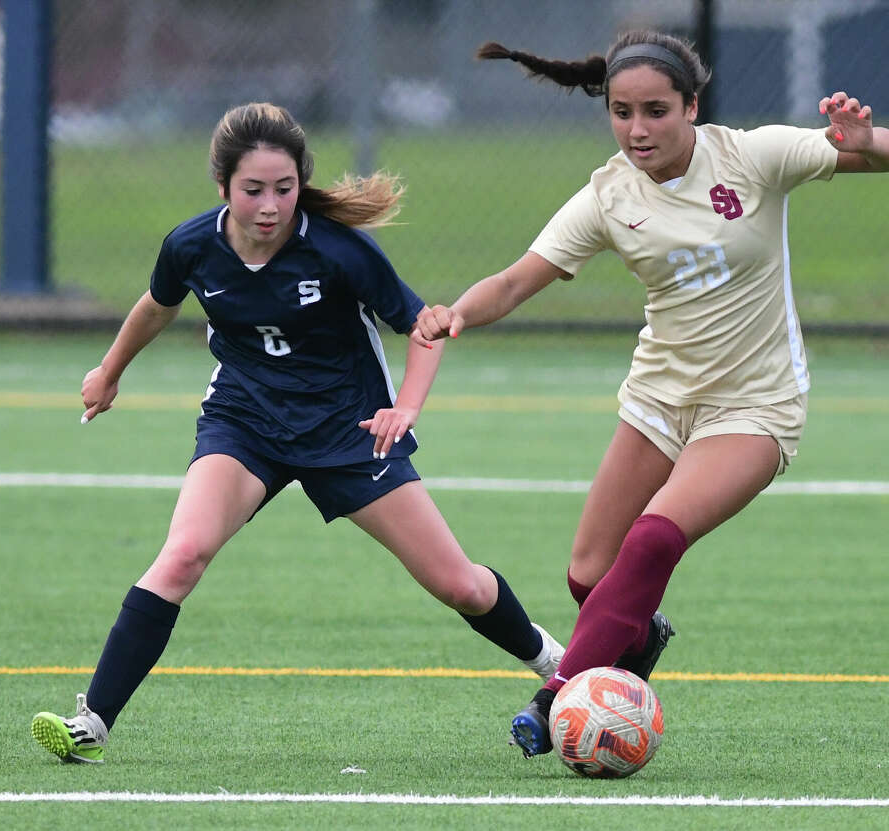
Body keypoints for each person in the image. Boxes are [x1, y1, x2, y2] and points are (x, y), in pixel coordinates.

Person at [412, 31, 889, 758]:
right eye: (622, 112)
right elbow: (518, 279)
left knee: (652, 539)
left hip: (754, 406)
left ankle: (556, 697)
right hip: (659, 399)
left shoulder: (752, 156)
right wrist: (458, 312)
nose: (638, 129)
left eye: (655, 111)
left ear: (692, 107)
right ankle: (638, 639)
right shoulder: (608, 195)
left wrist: (867, 138)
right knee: (590, 575)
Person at [30, 102, 564, 765]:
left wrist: (408, 409)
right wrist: (108, 371)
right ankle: (93, 722)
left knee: (460, 584)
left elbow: (425, 328)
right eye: (253, 189)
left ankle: (557, 664)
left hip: (351, 429)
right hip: (245, 422)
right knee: (184, 553)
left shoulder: (339, 250)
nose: (270, 205)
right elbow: (156, 304)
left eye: (284, 188)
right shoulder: (192, 245)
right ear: (221, 185)